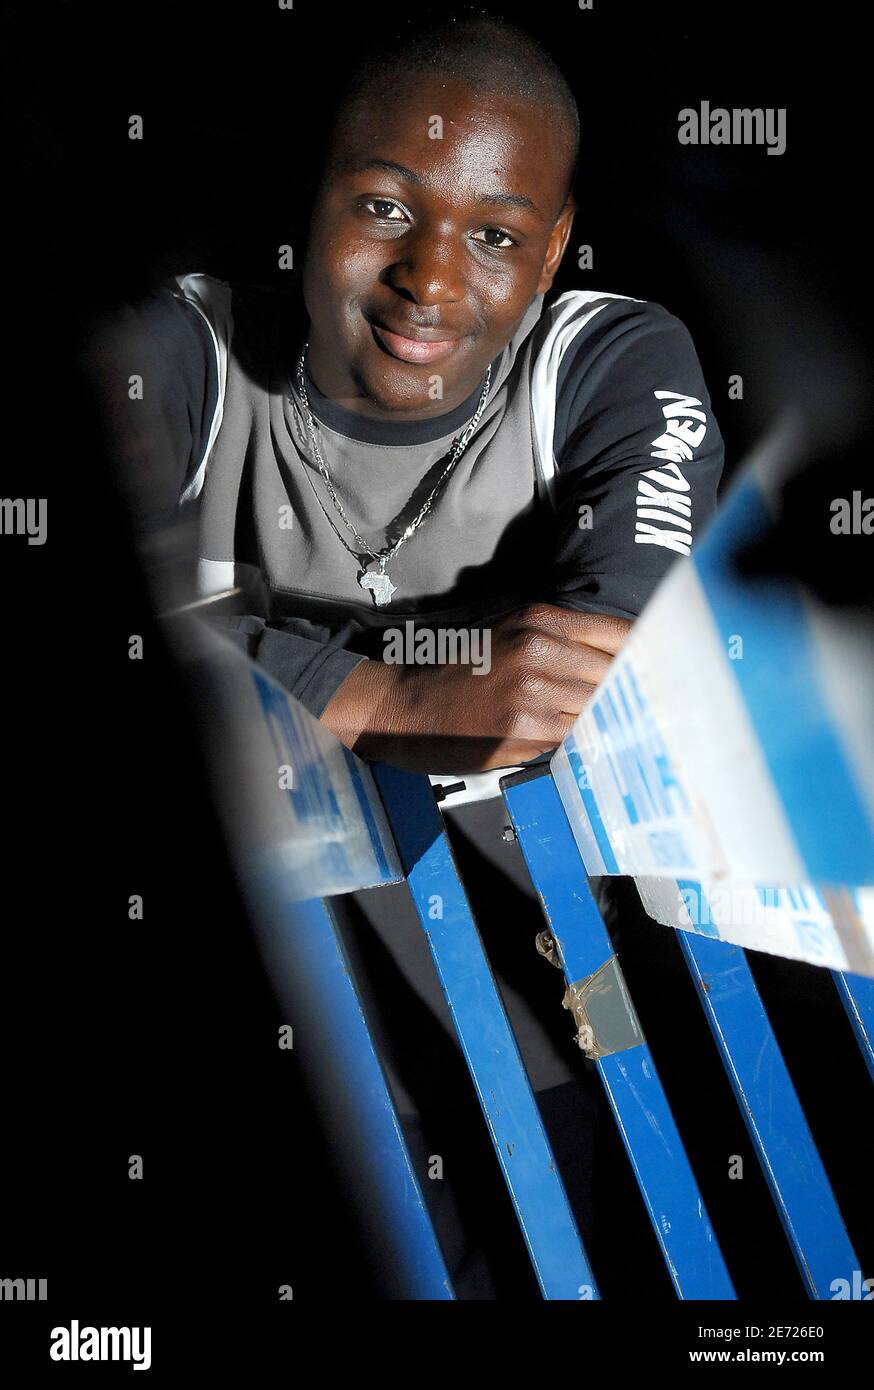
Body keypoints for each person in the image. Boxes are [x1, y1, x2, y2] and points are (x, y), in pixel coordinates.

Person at [89, 8, 724, 1296]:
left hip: (525, 1015)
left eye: (494, 236)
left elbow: (608, 663)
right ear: (309, 188)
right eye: (384, 206)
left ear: (549, 250)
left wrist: (248, 659)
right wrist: (393, 693)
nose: (431, 280)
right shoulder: (186, 350)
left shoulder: (600, 358)